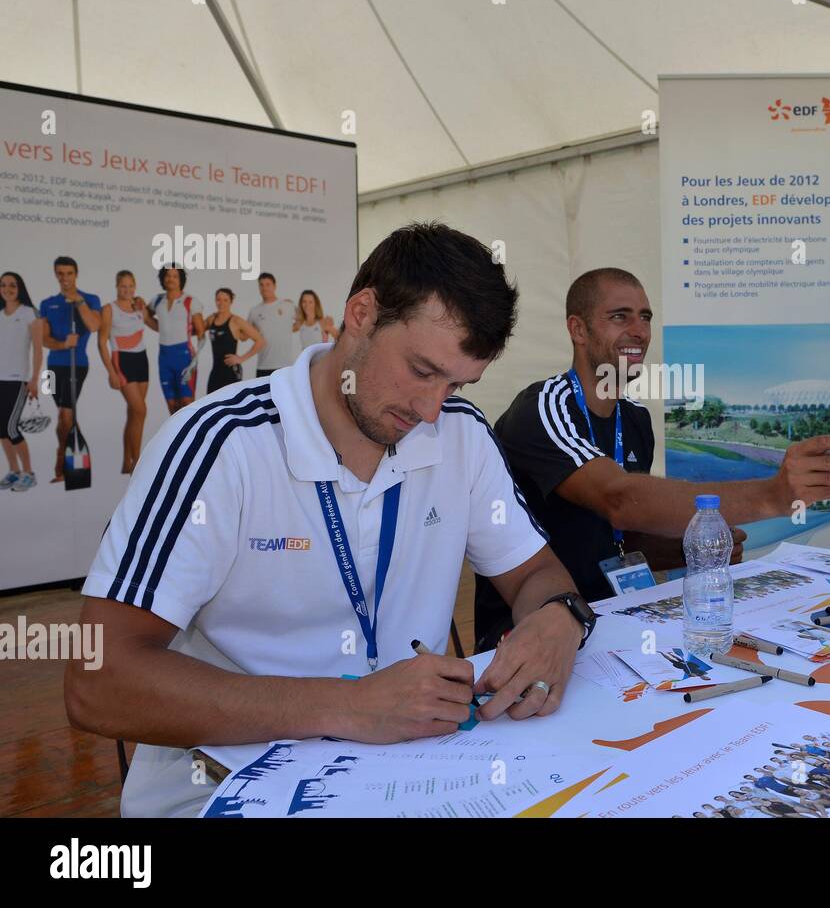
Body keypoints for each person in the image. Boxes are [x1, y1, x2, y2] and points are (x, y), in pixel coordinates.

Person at [65, 221, 590, 818]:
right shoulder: (220, 444)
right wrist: (351, 705)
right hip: (222, 789)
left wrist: (559, 618)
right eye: (422, 370)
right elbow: (97, 680)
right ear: (362, 314)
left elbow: (535, 575)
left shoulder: (461, 435)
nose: (431, 410)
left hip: (406, 776)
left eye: (457, 384)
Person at [473, 267, 830, 650]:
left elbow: (618, 536)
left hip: (615, 618)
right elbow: (618, 500)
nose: (639, 331)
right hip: (532, 631)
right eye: (619, 316)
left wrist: (688, 548)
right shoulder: (543, 407)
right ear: (578, 329)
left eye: (645, 317)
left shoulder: (635, 418)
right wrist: (773, 495)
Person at [38, 256, 101, 484]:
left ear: (76, 274)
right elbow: (43, 338)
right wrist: (63, 344)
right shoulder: (47, 303)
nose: (65, 278)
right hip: (53, 367)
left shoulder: (90, 299)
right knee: (65, 416)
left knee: (66, 415)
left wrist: (79, 302)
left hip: (78, 365)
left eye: (69, 273)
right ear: (56, 275)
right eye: (60, 273)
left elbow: (94, 325)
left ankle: (62, 465)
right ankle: (71, 459)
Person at [97, 270, 149, 474]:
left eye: (130, 286)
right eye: (123, 286)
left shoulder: (138, 306)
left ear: (135, 287)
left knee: (135, 413)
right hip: (123, 361)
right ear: (117, 287)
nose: (127, 290)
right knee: (141, 410)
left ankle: (127, 462)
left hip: (142, 360)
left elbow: (151, 322)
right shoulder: (109, 309)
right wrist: (111, 372)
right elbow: (101, 342)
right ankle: (138, 462)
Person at [143, 263, 206, 414]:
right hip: (164, 357)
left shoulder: (190, 301)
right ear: (163, 278)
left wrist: (194, 362)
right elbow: (146, 317)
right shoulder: (157, 300)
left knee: (187, 403)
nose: (171, 279)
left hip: (184, 357)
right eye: (168, 275)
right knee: (172, 405)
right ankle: (177, 431)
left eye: (175, 276)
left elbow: (201, 334)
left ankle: (192, 430)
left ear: (180, 279)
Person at [0, 272, 41, 493]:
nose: (7, 289)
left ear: (20, 288)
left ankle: (29, 473)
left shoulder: (29, 313)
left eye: (12, 285)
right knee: (1, 429)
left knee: (10, 427)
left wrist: (34, 379)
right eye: (3, 285)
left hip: (18, 379)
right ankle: (14, 471)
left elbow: (38, 349)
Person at [205, 287, 264, 395]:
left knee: (231, 404)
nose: (221, 303)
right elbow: (196, 330)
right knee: (211, 403)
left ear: (231, 302)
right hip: (215, 371)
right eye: (218, 299)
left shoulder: (236, 321)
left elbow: (260, 340)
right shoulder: (211, 319)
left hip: (231, 372)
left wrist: (241, 358)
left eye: (225, 300)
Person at [246, 272, 299, 377]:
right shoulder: (254, 311)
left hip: (285, 365)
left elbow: (301, 323)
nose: (264, 288)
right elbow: (245, 335)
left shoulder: (288, 305)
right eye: (261, 285)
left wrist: (287, 329)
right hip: (263, 366)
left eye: (268, 284)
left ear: (274, 286)